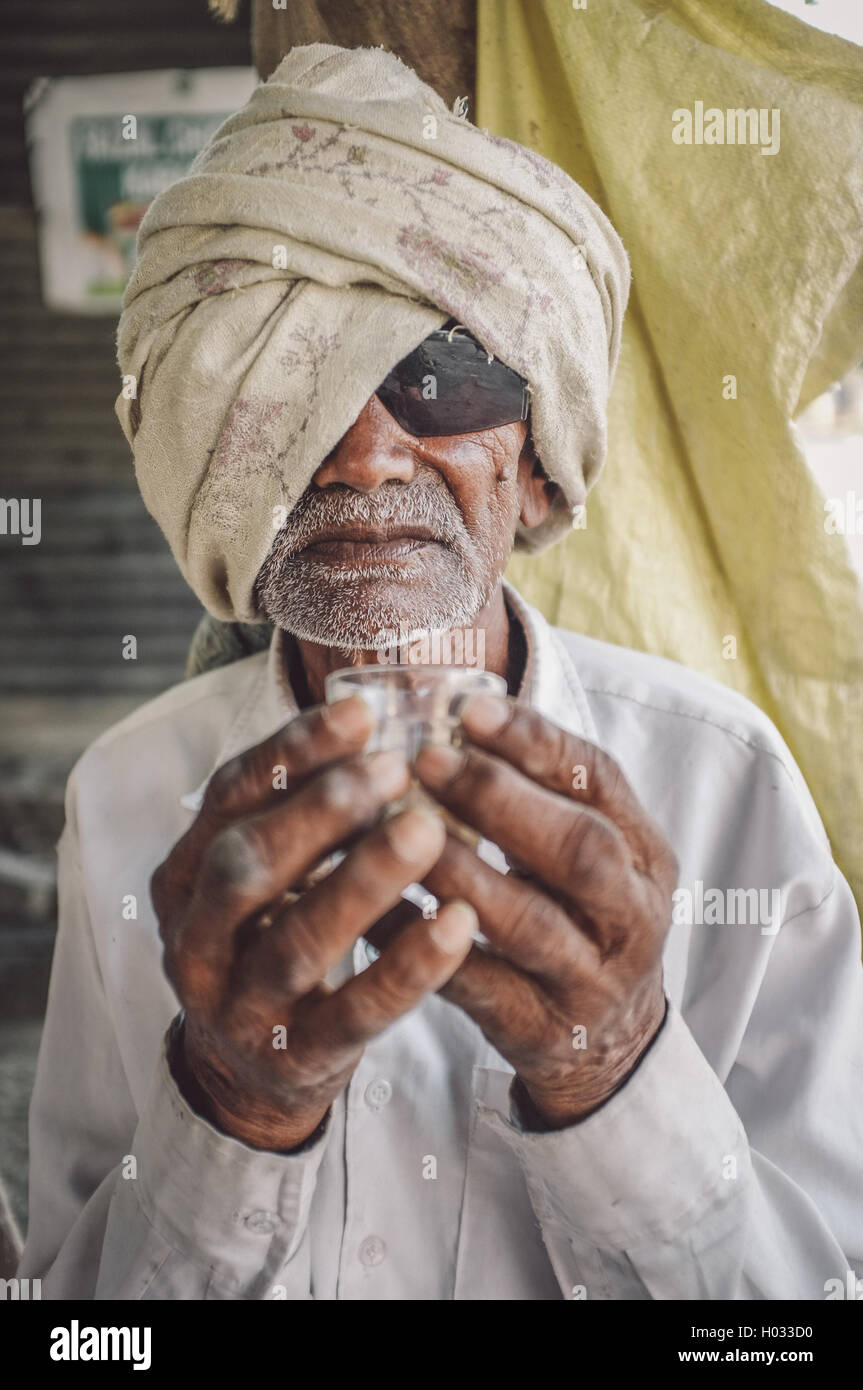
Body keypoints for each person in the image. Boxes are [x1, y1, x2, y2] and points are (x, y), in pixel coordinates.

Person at [17, 44, 863, 1300]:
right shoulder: (129, 794)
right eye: (294, 393)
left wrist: (617, 1074)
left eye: (436, 378)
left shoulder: (721, 785)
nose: (362, 458)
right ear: (216, 473)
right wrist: (227, 1115)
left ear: (534, 465)